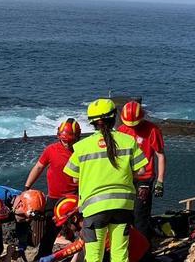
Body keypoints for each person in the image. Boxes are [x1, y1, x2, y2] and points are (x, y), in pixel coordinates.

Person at [63, 98, 148, 262]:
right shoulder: (128, 141)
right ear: (114, 117)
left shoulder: (82, 147)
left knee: (94, 256)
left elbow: (73, 178)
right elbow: (142, 170)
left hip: (94, 207)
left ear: (91, 122)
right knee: (120, 254)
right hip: (123, 205)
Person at [24, 118, 82, 260]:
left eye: (70, 140)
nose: (67, 143)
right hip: (54, 198)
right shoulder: (51, 150)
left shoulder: (82, 150)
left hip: (75, 198)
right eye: (64, 140)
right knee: (49, 232)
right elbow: (38, 167)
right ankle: (43, 257)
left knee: (81, 230)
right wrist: (27, 188)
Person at [39, 195, 149, 262]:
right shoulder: (91, 220)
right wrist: (55, 256)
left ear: (74, 218)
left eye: (65, 224)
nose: (65, 228)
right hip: (139, 250)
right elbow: (80, 244)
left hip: (139, 257)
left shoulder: (96, 228)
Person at [117, 100, 166, 241]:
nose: (133, 126)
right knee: (124, 213)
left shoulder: (152, 130)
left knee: (140, 215)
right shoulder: (122, 130)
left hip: (145, 177)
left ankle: (143, 249)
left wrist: (160, 181)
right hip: (125, 177)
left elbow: (160, 155)